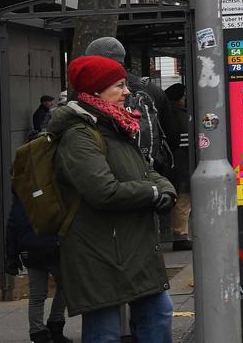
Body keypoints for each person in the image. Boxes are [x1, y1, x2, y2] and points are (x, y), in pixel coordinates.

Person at [50, 55, 176, 343]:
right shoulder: (79, 135)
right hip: (99, 250)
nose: (127, 91)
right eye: (119, 85)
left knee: (158, 314)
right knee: (103, 331)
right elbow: (102, 191)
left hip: (131, 247)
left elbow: (147, 171)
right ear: (95, 91)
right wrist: (154, 193)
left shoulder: (117, 124)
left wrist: (163, 188)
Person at [83, 38, 176, 174]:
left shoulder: (88, 91)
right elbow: (172, 132)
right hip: (151, 173)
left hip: (107, 172)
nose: (125, 92)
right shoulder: (149, 89)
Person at [5, 187, 70, 343]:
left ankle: (38, 332)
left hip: (30, 250)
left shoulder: (21, 194)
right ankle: (55, 325)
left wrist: (12, 257)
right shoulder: (51, 187)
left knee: (37, 295)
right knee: (66, 286)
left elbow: (12, 225)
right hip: (52, 247)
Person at [163, 84, 192, 250]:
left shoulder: (164, 114)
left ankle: (180, 234)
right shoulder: (183, 117)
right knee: (183, 200)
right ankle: (181, 236)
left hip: (170, 163)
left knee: (179, 200)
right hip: (182, 164)